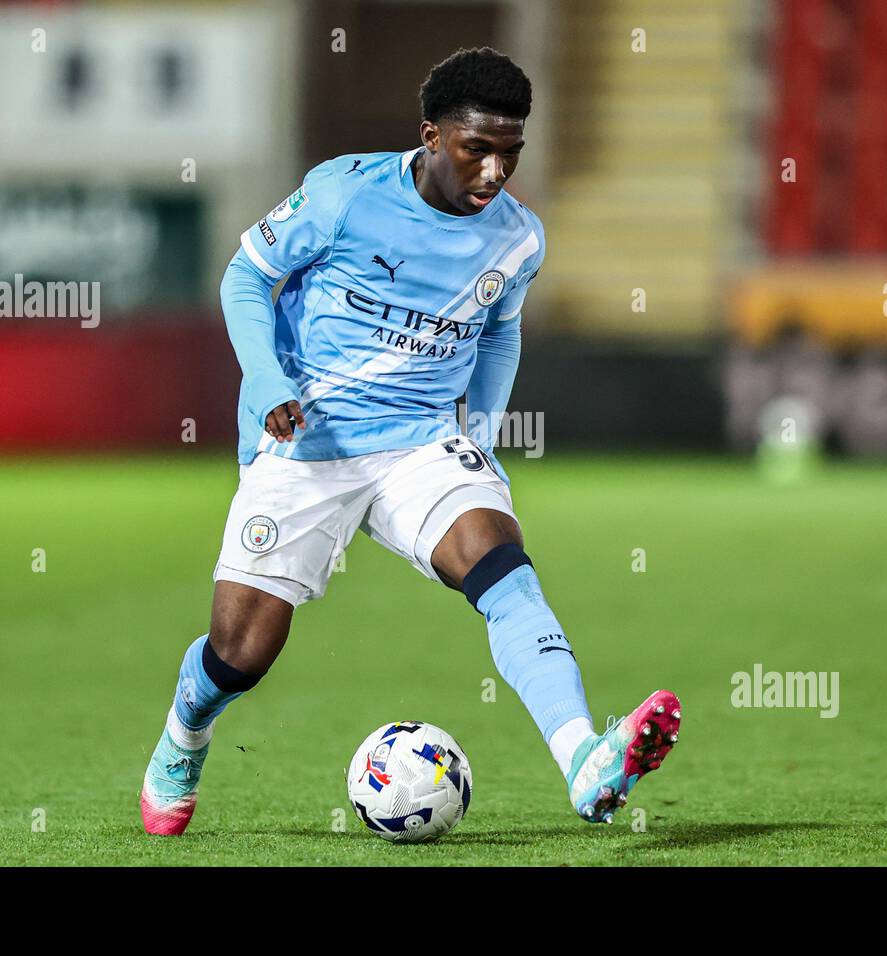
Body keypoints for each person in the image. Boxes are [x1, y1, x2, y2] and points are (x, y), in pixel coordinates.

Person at [140, 46, 680, 836]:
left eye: (511, 152)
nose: (495, 172)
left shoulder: (517, 239)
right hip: (308, 438)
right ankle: (185, 734)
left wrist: (482, 434)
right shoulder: (344, 195)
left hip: (422, 443)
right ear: (431, 135)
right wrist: (263, 379)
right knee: (240, 653)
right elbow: (246, 277)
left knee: (503, 568)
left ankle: (584, 760)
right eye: (477, 149)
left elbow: (499, 336)